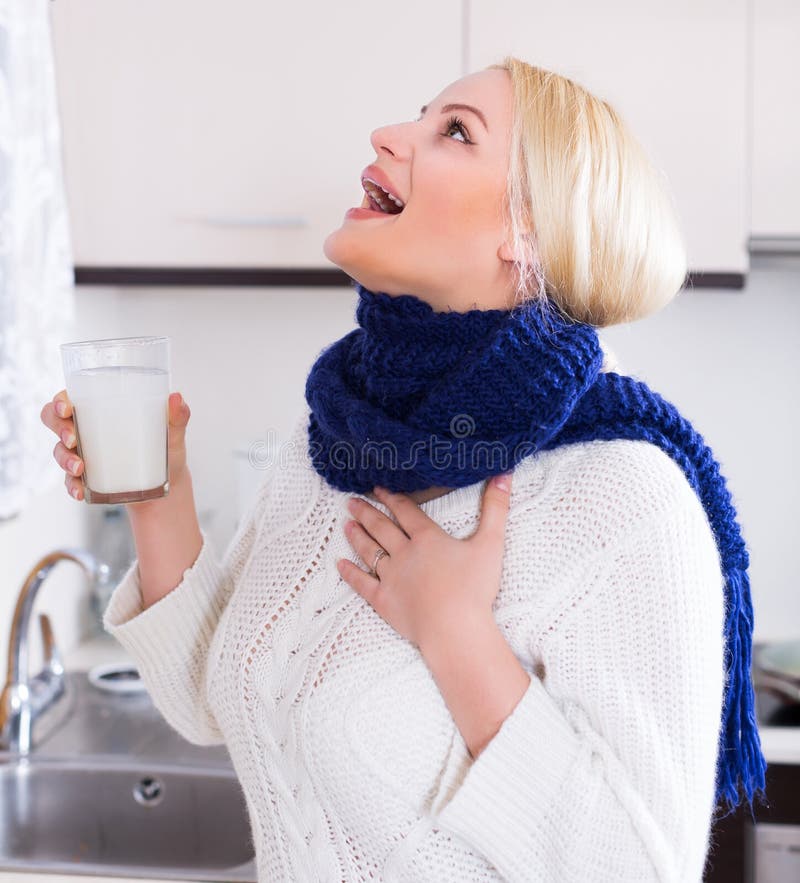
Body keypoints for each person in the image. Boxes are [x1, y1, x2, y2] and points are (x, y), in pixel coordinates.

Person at [41, 57, 765, 882]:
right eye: (420, 115)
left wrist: (457, 635)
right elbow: (215, 701)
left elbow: (639, 869)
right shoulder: (338, 439)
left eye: (454, 131)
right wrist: (158, 494)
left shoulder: (623, 497)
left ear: (530, 231)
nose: (388, 135)